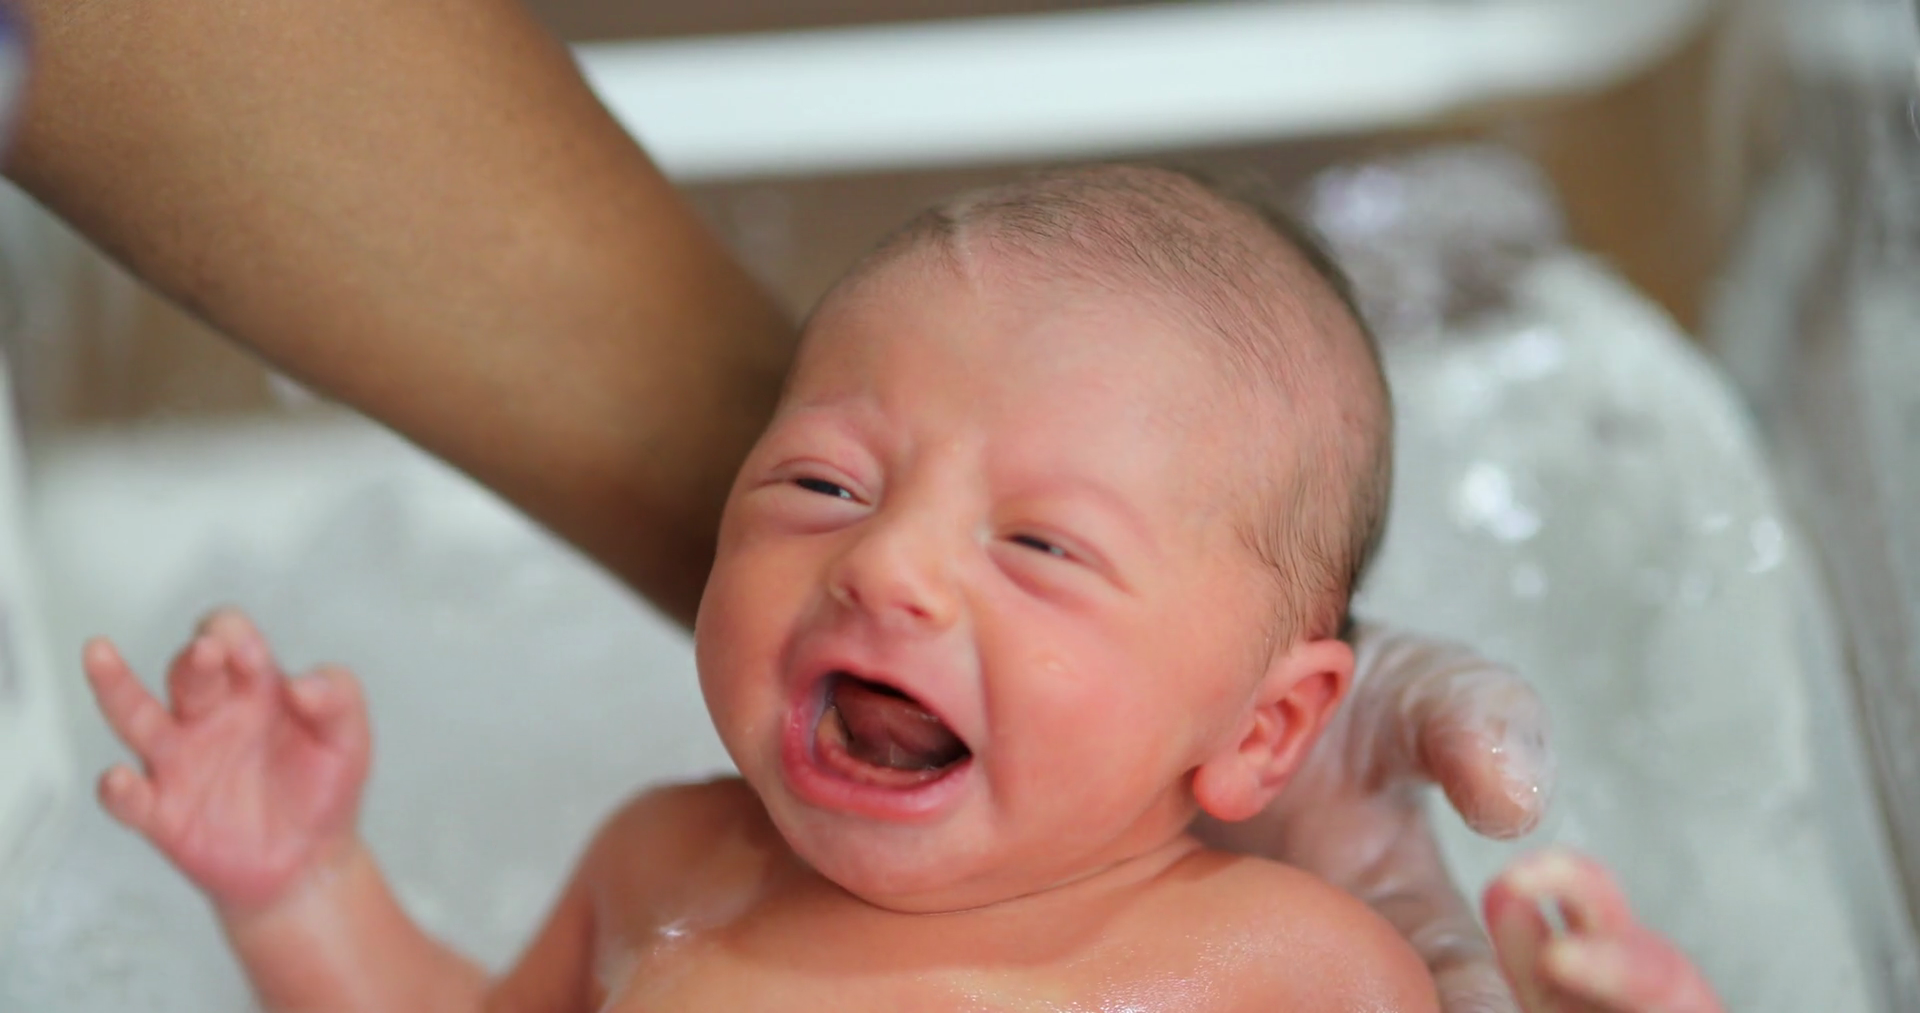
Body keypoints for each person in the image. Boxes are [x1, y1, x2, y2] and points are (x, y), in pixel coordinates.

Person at [3, 3, 1717, 1008]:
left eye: (1041, 547)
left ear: (1272, 727)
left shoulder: (1268, 957)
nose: (881, 564)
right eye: (818, 483)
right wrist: (302, 890)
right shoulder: (665, 870)